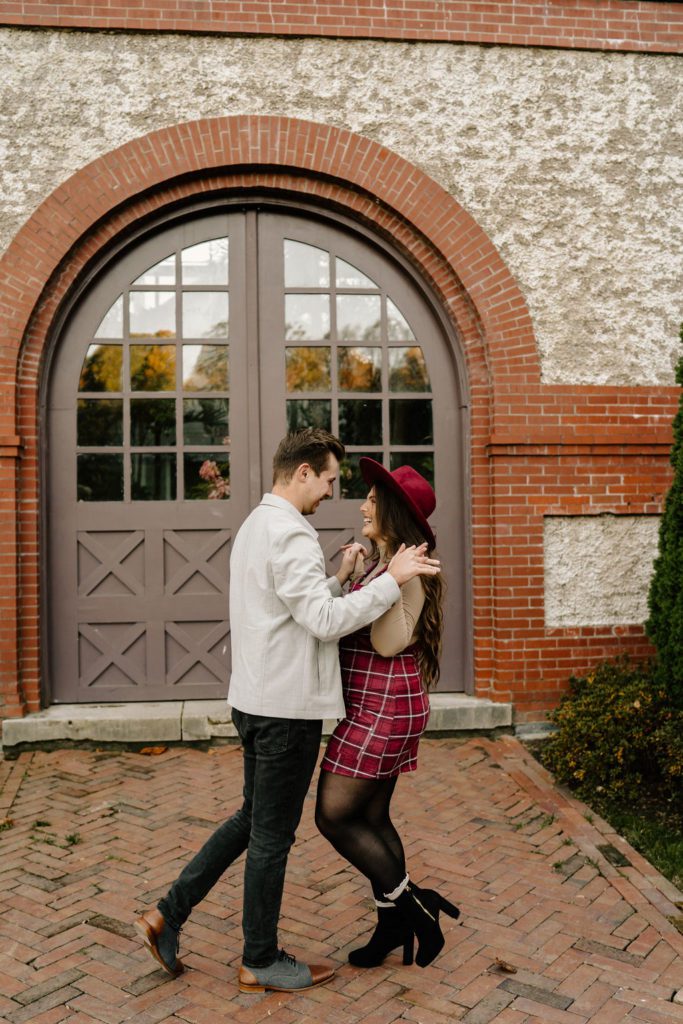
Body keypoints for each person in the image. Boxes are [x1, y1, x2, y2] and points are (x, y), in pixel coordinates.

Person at [134, 429, 441, 994]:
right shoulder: (293, 534)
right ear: (303, 473)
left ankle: (167, 915)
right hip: (285, 710)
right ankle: (259, 958)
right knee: (271, 837)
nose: (331, 492)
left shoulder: (258, 525)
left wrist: (341, 579)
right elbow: (322, 621)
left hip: (253, 701)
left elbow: (292, 606)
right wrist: (389, 581)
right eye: (327, 479)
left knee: (251, 821)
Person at [315, 458, 460, 970]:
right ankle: (394, 926)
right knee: (372, 816)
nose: (362, 505)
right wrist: (356, 575)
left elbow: (385, 641)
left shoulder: (409, 574)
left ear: (394, 511)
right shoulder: (386, 565)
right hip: (377, 705)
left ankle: (416, 907)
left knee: (332, 816)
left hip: (384, 709)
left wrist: (388, 581)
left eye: (373, 500)